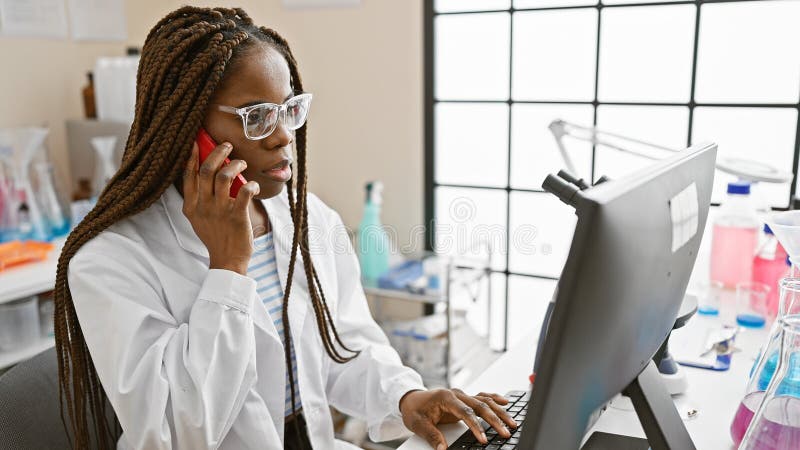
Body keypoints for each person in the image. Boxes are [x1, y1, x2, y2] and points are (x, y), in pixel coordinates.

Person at [54, 6, 517, 450]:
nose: (283, 136)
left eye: (288, 109)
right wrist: (229, 269)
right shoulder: (109, 259)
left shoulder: (306, 216)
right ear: (186, 128)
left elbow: (345, 345)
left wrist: (405, 397)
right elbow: (178, 433)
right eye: (257, 117)